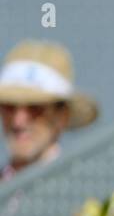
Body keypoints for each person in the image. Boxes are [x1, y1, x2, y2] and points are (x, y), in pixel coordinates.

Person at [0, 39, 99, 182]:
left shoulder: (82, 189)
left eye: (35, 108)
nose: (18, 121)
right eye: (9, 106)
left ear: (62, 116)